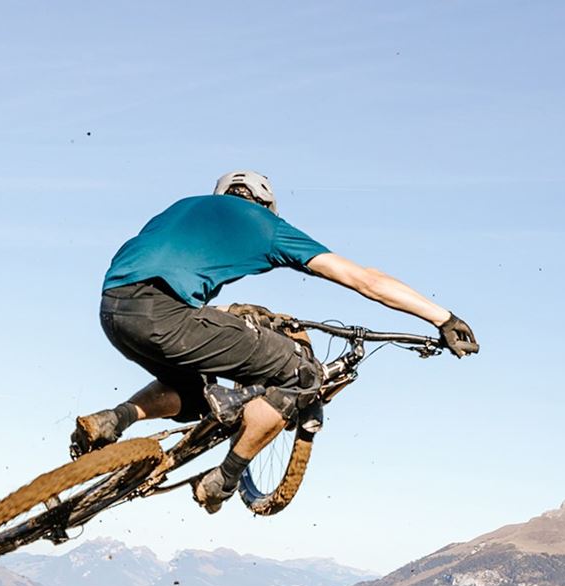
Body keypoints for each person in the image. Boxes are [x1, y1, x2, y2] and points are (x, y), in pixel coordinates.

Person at [72, 170, 478, 513]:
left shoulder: (182, 208)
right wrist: (442, 317)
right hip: (164, 315)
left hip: (114, 310)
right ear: (266, 204)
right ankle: (225, 480)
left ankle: (114, 419)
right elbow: (366, 280)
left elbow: (165, 272)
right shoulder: (266, 226)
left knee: (192, 396)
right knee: (301, 375)